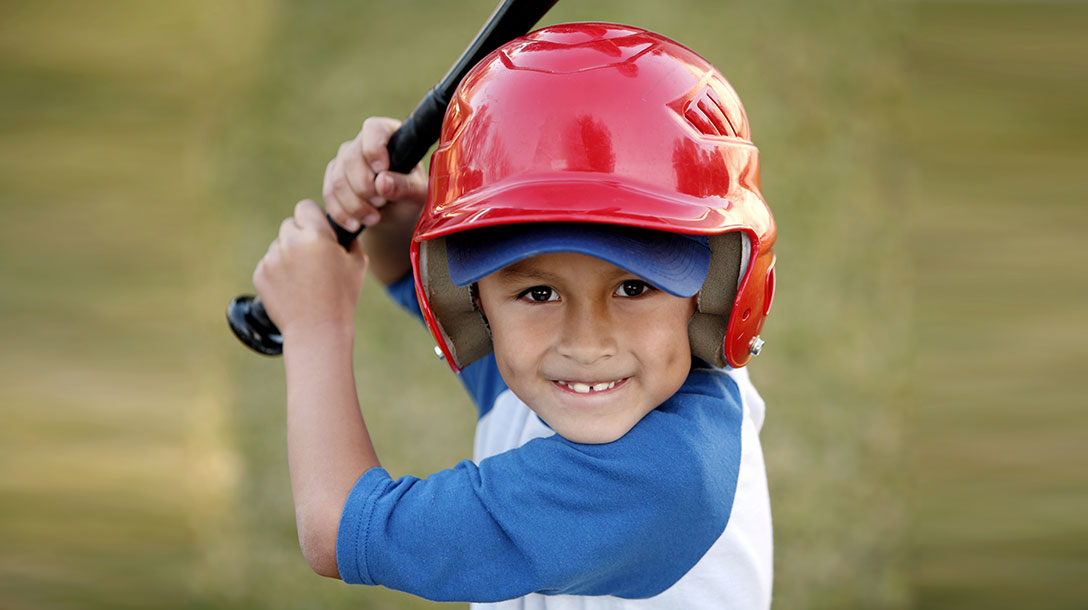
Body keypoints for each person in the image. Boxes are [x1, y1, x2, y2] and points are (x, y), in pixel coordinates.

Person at [253, 22, 777, 609]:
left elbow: (339, 530)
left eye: (633, 287)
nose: (585, 343)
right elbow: (410, 278)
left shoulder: (659, 477)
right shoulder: (604, 382)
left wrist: (314, 328)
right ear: (474, 302)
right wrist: (396, 217)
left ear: (713, 295)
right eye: (538, 295)